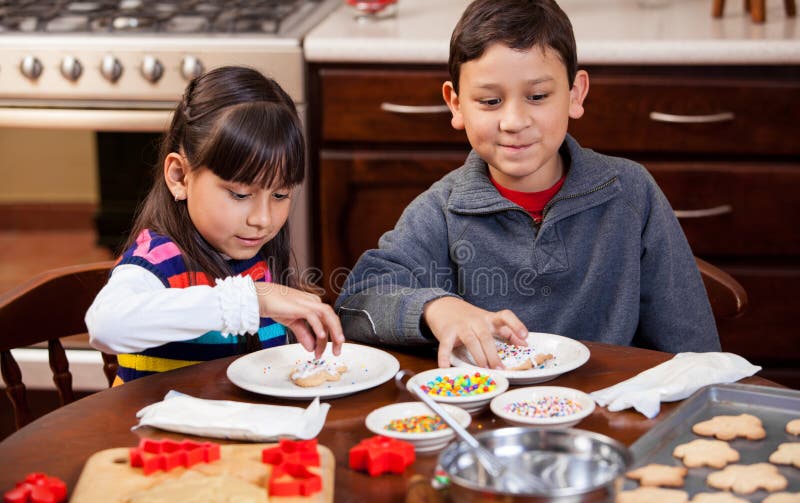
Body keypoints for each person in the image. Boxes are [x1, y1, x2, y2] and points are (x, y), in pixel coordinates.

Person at [335, 0, 720, 370]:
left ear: (575, 94)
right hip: (488, 425)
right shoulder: (440, 210)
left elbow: (695, 352)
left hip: (614, 414)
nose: (514, 121)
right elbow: (356, 305)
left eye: (537, 96)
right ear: (455, 104)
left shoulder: (632, 193)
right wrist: (435, 308)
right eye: (489, 101)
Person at [87, 66, 344, 384]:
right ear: (180, 177)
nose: (262, 219)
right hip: (162, 432)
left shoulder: (253, 254)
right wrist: (251, 300)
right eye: (239, 194)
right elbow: (106, 326)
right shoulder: (157, 261)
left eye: (280, 194)